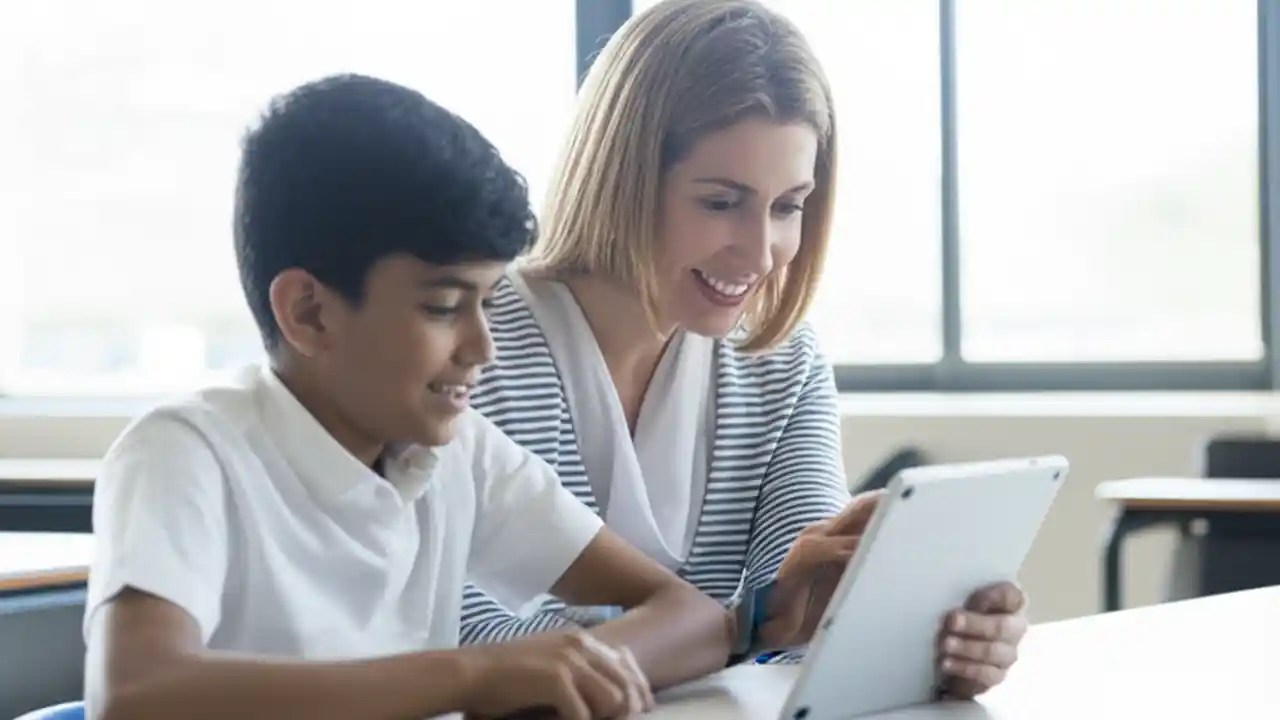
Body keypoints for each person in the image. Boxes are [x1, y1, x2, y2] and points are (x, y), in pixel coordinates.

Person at [82, 73, 735, 720]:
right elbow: (135, 695)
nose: (482, 347)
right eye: (444, 307)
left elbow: (696, 619)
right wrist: (477, 675)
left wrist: (563, 673)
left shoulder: (458, 456)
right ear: (309, 313)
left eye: (487, 303)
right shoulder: (183, 454)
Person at [460, 0, 1027, 697]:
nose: (761, 254)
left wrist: (936, 636)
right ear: (623, 182)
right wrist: (740, 626)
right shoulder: (468, 346)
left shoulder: (779, 361)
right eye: (721, 203)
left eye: (788, 207)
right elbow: (457, 642)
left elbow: (803, 620)